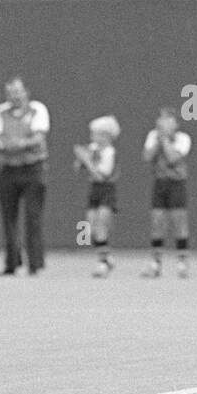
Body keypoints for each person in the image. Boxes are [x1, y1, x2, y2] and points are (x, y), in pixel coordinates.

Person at [0, 77, 49, 276]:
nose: (14, 96)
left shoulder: (38, 110)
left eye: (18, 91)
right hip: (9, 170)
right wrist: (20, 144)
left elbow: (38, 139)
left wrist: (14, 145)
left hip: (33, 170)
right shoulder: (0, 112)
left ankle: (35, 264)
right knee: (8, 218)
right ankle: (12, 263)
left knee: (33, 217)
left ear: (26, 92)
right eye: (10, 92)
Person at [142, 107, 191, 279]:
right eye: (162, 120)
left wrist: (164, 139)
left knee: (179, 223)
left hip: (177, 184)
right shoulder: (152, 136)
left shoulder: (184, 139)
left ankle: (182, 263)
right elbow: (147, 157)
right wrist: (159, 139)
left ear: (176, 124)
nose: (164, 124)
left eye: (168, 120)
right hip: (160, 183)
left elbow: (172, 158)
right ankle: (155, 264)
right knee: (157, 222)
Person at [74, 116, 120, 278]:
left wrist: (87, 161)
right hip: (94, 191)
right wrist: (80, 160)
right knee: (90, 227)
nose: (92, 136)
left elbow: (102, 175)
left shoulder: (110, 152)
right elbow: (78, 168)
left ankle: (102, 263)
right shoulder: (93, 148)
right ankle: (107, 257)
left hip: (107, 190)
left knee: (101, 225)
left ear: (106, 136)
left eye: (96, 133)